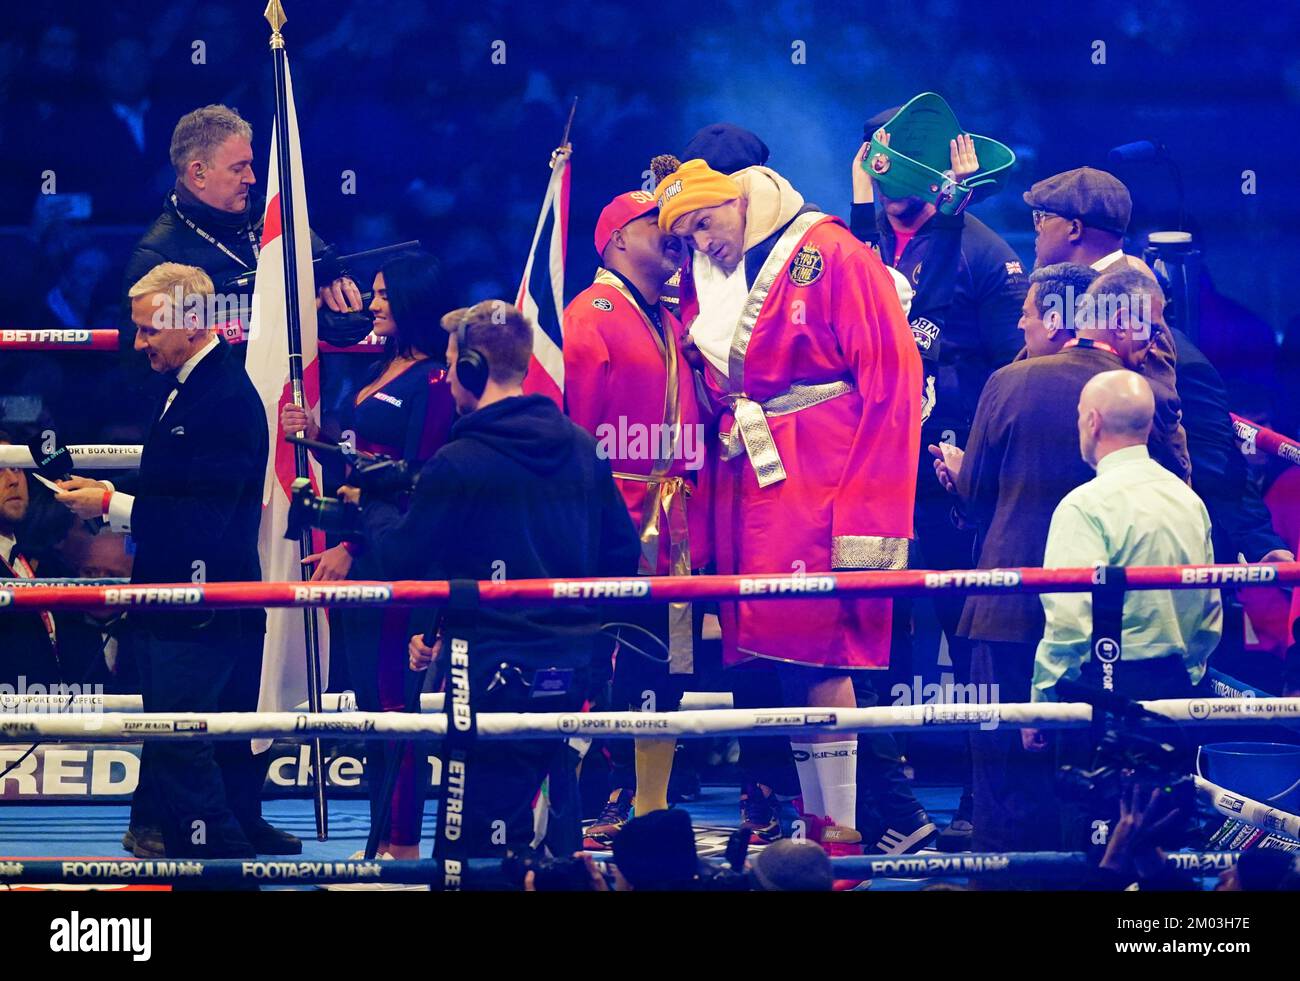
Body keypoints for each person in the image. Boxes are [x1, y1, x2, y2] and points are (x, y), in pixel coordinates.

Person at [652, 156, 922, 882]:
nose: (701, 243)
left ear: (737, 202)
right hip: (759, 479)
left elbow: (895, 378)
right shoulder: (709, 281)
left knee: (824, 651)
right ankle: (816, 832)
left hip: (826, 474)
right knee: (787, 658)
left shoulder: (830, 250)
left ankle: (842, 836)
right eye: (685, 234)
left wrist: (870, 510)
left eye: (705, 223)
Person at [363, 299, 640, 859]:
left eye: (449, 364)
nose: (443, 377)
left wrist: (372, 505)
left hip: (488, 665)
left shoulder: (461, 460)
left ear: (470, 369)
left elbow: (402, 559)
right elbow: (622, 553)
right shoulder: (581, 447)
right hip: (571, 664)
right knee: (553, 810)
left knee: (473, 842)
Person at [929, 265, 1183, 866]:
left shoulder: (1013, 381)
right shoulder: (1143, 390)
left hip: (1008, 609)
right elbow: (1174, 486)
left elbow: (977, 495)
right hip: (1112, 624)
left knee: (1001, 788)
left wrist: (961, 470)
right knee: (1093, 789)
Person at [53, 262, 295, 862]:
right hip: (198, 600)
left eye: (147, 331)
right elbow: (181, 489)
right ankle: (190, 826)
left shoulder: (222, 398)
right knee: (206, 734)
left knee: (183, 737)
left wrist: (113, 504)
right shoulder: (193, 385)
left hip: (200, 602)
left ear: (190, 321)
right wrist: (111, 498)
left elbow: (202, 522)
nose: (139, 345)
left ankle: (226, 861)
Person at [853, 101, 1027, 847]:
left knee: (970, 629)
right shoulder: (854, 241)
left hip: (948, 470)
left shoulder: (982, 251)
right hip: (870, 466)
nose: (890, 174)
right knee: (874, 627)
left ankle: (976, 795)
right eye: (879, 156)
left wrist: (977, 464)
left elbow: (1011, 366)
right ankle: (886, 804)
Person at [281, 252, 457, 862]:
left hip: (390, 557)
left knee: (393, 708)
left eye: (383, 295)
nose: (372, 303)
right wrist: (317, 436)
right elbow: (361, 463)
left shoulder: (434, 380)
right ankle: (379, 841)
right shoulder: (384, 366)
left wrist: (352, 548)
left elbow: (415, 483)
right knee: (368, 704)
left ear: (410, 302)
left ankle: (402, 848)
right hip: (361, 546)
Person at [561, 190, 708, 846]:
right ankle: (591, 800)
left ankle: (650, 803)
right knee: (606, 665)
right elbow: (574, 437)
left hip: (673, 524)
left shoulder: (669, 316)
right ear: (618, 238)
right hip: (614, 525)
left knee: (666, 668)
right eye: (658, 224)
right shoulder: (588, 315)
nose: (674, 233)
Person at [1030, 369, 1222, 705]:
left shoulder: (1084, 506)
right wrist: (1188, 675)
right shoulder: (1189, 500)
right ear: (1147, 425)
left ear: (1093, 421)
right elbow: (1208, 611)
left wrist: (1044, 696)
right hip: (1180, 686)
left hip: (1106, 691)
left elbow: (1068, 622)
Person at [123, 104, 364, 327]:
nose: (251, 178)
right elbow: (142, 360)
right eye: (238, 169)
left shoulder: (273, 219)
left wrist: (338, 288)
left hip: (294, 372)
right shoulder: (156, 256)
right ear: (198, 173)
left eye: (249, 165)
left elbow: (336, 271)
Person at [1023, 166, 1191, 478]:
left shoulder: (1131, 291)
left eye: (1042, 217)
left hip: (1120, 482)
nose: (1037, 229)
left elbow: (1161, 402)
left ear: (1074, 229)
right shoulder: (1058, 286)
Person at [0, 429, 62, 685]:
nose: (14, 480)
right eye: (0, 469)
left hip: (46, 711)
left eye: (18, 467)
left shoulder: (38, 561)